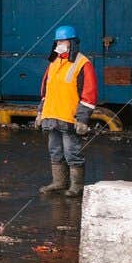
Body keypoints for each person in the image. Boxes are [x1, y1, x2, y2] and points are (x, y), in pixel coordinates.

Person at [36, 23, 97, 197]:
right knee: (55, 151)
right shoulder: (54, 62)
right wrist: (41, 112)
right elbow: (46, 91)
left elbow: (89, 94)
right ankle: (59, 183)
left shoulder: (83, 64)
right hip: (52, 116)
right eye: (58, 41)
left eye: (63, 41)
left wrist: (82, 119)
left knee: (72, 152)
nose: (60, 44)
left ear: (72, 42)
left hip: (69, 117)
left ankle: (76, 186)